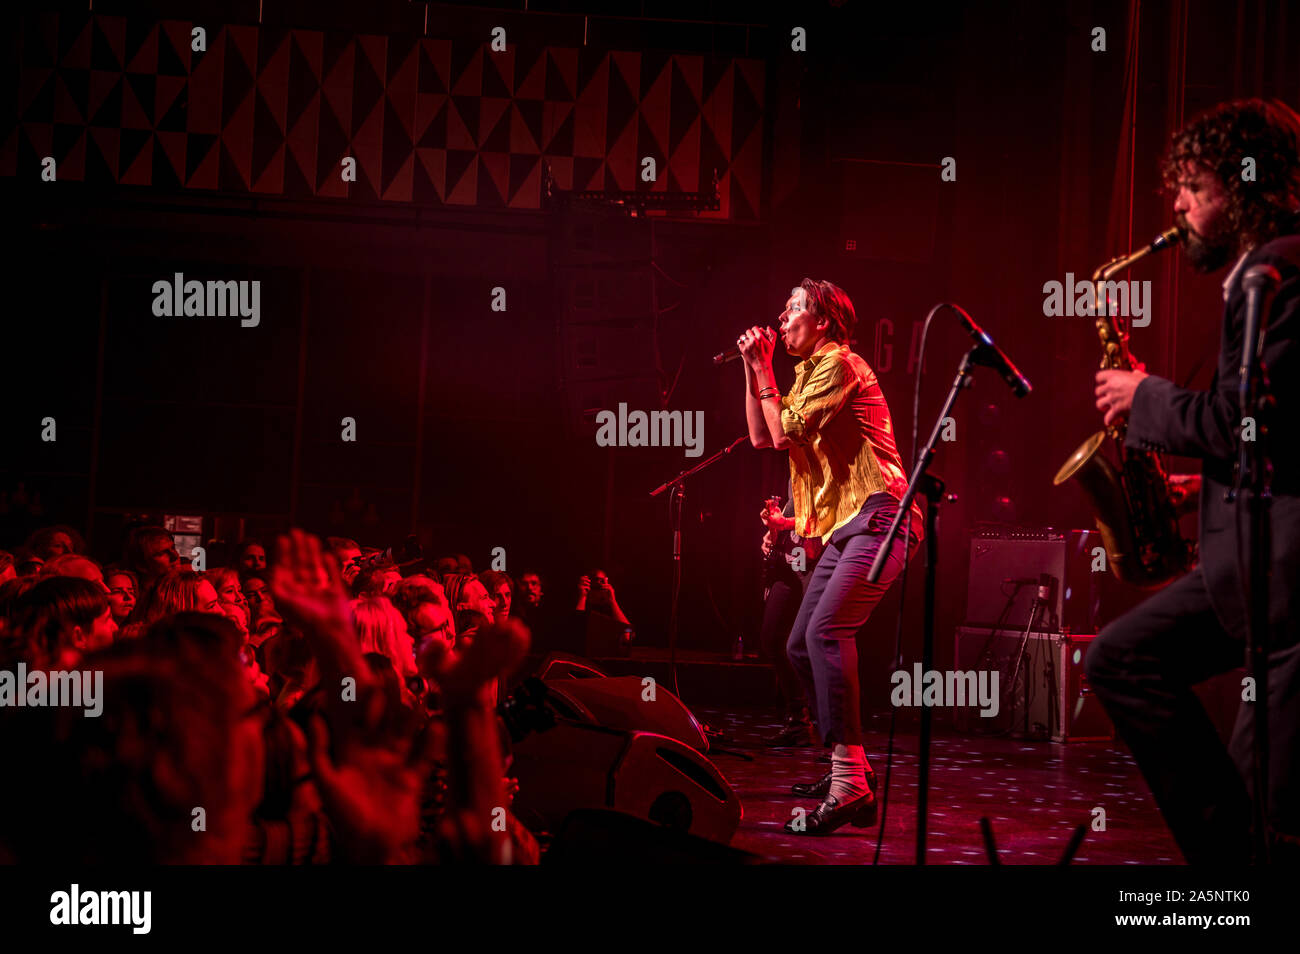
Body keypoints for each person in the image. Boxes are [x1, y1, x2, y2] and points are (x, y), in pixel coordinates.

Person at [1086, 99, 1300, 864]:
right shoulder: (1264, 276)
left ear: (1245, 189)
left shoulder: (1275, 275)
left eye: (1193, 187)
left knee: (1264, 816)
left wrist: (1146, 401)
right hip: (1253, 569)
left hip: (1285, 585)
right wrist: (1188, 491)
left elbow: (1249, 423)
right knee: (1118, 657)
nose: (1176, 205)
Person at [738, 278, 922, 835]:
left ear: (824, 322)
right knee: (800, 644)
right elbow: (763, 438)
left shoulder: (841, 365)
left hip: (882, 516)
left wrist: (765, 371)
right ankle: (852, 771)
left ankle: (849, 783)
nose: (782, 313)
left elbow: (785, 426)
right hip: (848, 526)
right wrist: (753, 369)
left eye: (794, 306)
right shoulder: (804, 377)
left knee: (824, 634)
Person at [758, 489, 823, 746]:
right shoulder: (794, 464)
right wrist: (773, 532)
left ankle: (831, 728)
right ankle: (799, 723)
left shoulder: (827, 458)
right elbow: (794, 514)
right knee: (772, 639)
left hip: (817, 561)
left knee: (811, 643)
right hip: (791, 561)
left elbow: (827, 515)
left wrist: (783, 523)